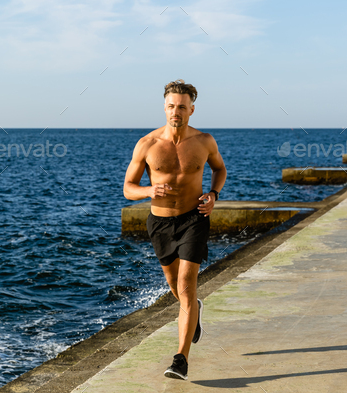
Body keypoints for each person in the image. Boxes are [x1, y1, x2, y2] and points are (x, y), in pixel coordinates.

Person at [123, 79, 227, 380]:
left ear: (191, 109)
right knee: (176, 288)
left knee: (185, 282)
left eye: (182, 107)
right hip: (160, 223)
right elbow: (128, 188)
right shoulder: (147, 145)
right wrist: (148, 190)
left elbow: (219, 169)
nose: (175, 112)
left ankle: (180, 359)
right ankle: (193, 310)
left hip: (194, 218)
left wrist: (213, 195)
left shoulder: (205, 141)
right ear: (164, 108)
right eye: (171, 106)